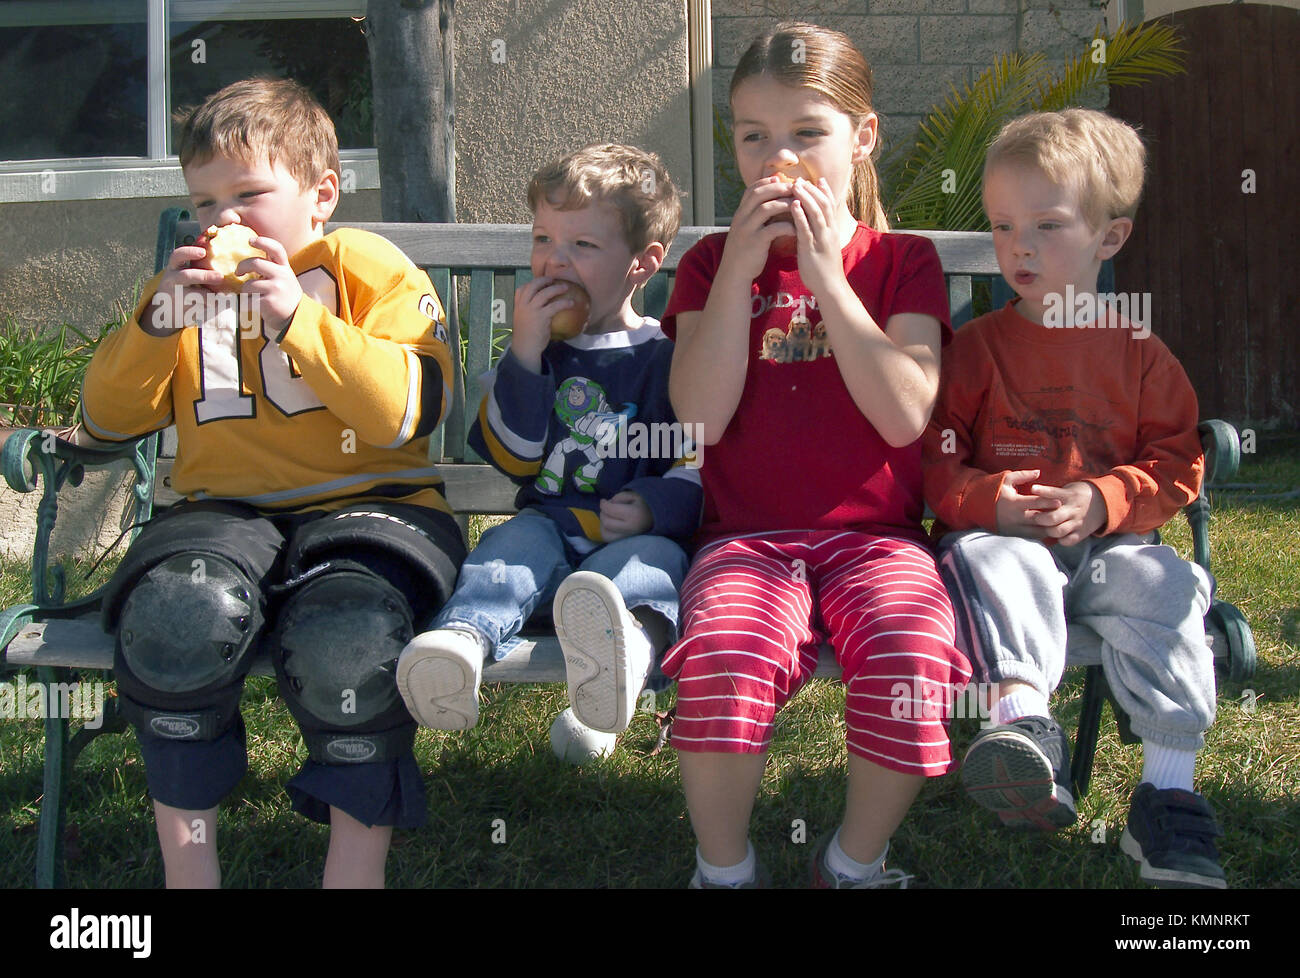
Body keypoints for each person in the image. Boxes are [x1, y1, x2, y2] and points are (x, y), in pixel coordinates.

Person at [80, 77, 465, 888]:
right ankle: (191, 878)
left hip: (373, 509)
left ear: (321, 195)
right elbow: (108, 422)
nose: (223, 219)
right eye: (203, 201)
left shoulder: (363, 266)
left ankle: (352, 875)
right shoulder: (179, 296)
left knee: (349, 637)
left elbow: (410, 409)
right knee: (178, 619)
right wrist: (156, 326)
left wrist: (298, 317)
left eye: (249, 193)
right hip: (223, 512)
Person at [663, 22, 971, 888]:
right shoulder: (710, 265)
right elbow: (700, 420)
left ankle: (852, 862)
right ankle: (723, 870)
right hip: (747, 539)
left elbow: (906, 414)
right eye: (754, 136)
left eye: (807, 133)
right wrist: (739, 275)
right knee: (725, 654)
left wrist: (829, 275)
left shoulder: (903, 263)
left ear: (862, 137)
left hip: (878, 538)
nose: (778, 159)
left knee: (912, 654)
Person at [923, 108, 1225, 888]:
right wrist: (988, 500)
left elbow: (1178, 459)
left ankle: (1168, 794)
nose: (1019, 245)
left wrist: (1105, 498)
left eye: (1047, 225)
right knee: (997, 557)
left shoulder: (1139, 351)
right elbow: (935, 457)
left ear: (1109, 238)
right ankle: (1024, 728)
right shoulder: (978, 348)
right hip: (1011, 551)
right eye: (1001, 226)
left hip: (1108, 550)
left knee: (1171, 584)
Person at [396, 144, 700, 739]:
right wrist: (527, 353)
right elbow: (516, 456)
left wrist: (655, 507)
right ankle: (461, 642)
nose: (554, 262)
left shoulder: (669, 355)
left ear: (644, 262)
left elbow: (696, 460)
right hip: (550, 529)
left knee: (656, 569)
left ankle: (622, 669)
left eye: (582, 246)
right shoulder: (537, 354)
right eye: (542, 240)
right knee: (508, 548)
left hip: (629, 546)